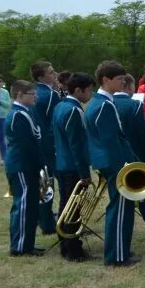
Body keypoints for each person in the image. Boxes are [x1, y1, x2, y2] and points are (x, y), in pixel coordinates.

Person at [85, 61, 139, 266]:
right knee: (120, 207)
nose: (123, 82)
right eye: (119, 79)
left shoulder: (101, 102)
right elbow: (111, 141)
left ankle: (120, 249)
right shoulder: (103, 105)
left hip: (110, 160)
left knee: (122, 206)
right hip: (114, 162)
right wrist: (127, 166)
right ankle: (116, 256)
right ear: (105, 80)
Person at [52, 72, 95, 261]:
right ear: (78, 90)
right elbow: (76, 145)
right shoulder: (73, 110)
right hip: (72, 166)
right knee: (74, 209)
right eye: (89, 90)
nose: (91, 94)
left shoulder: (60, 106)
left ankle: (65, 244)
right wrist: (84, 172)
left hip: (62, 164)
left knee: (65, 206)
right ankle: (73, 250)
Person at [113, 74, 145, 232]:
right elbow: (143, 133)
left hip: (115, 154)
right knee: (142, 188)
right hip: (136, 152)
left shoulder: (108, 102)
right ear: (127, 86)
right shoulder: (134, 105)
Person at [4, 80, 45, 257]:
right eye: (31, 94)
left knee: (30, 206)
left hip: (26, 165)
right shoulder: (18, 115)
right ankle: (20, 247)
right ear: (20, 95)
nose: (35, 97)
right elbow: (28, 145)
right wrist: (39, 163)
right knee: (23, 205)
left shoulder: (24, 112)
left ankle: (27, 244)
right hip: (22, 165)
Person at [30, 61, 60, 235]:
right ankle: (48, 222)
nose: (54, 74)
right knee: (49, 182)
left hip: (38, 142)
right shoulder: (49, 95)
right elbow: (55, 122)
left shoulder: (35, 92)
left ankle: (42, 217)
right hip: (48, 144)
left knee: (42, 181)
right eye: (50, 72)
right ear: (41, 77)